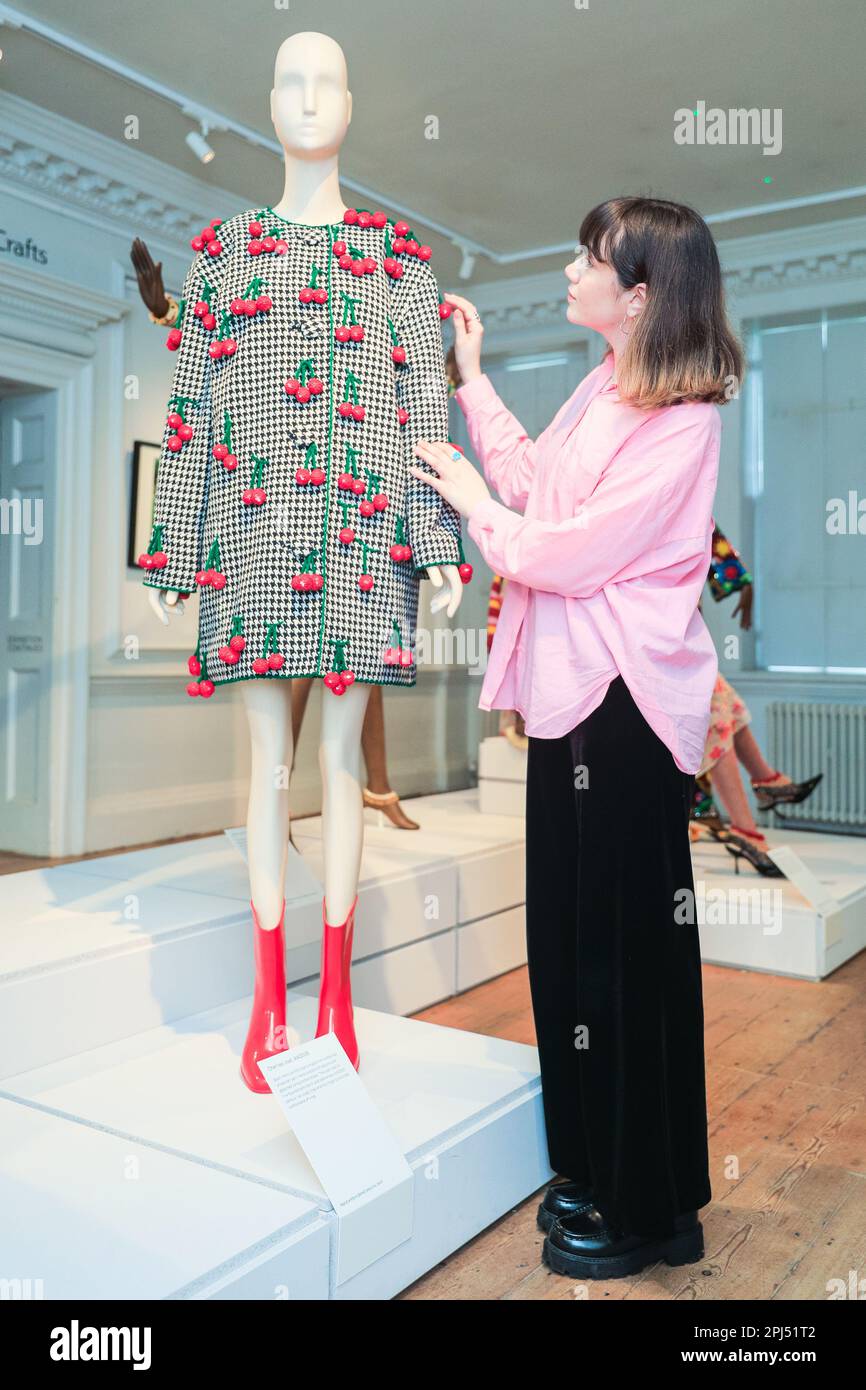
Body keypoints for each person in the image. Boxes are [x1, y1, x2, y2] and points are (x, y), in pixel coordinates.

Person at [410, 196, 741, 1280]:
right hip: (568, 701)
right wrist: (471, 378)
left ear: (637, 293)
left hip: (623, 709)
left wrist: (463, 497)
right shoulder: (606, 389)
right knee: (566, 948)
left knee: (624, 961)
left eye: (585, 259)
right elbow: (532, 490)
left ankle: (653, 1211)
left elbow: (567, 551)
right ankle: (594, 1168)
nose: (567, 269)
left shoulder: (683, 420)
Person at [691, 527, 822, 875]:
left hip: (682, 638)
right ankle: (748, 824)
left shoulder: (679, 495)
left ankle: (765, 786)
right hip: (654, 641)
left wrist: (741, 580)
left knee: (728, 708)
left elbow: (703, 526)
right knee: (716, 720)